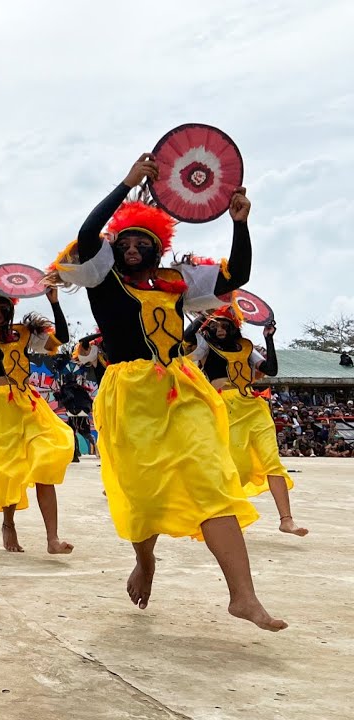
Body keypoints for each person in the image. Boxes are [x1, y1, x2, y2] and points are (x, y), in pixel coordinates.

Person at [48, 152, 284, 630]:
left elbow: (236, 276)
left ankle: (244, 596)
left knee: (210, 479)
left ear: (159, 248)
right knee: (143, 492)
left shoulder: (178, 280)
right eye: (127, 240)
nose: (134, 247)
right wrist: (125, 183)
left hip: (181, 386)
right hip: (127, 394)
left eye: (145, 241)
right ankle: (145, 561)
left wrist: (240, 224)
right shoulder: (100, 273)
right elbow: (91, 234)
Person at [0, 278, 74, 553]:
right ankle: (8, 524)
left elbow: (63, 338)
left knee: (47, 456)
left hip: (28, 402)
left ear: (10, 311)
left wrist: (54, 302)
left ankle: (52, 539)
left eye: (2, 307)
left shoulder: (23, 333)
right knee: (8, 472)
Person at [188, 311, 307, 536]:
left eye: (225, 324)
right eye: (215, 325)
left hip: (253, 406)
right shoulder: (204, 345)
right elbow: (186, 340)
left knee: (272, 461)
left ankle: (287, 520)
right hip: (226, 407)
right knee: (238, 469)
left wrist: (269, 338)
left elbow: (270, 370)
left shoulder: (246, 347)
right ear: (208, 327)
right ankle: (217, 515)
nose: (220, 329)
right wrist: (201, 317)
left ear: (234, 326)